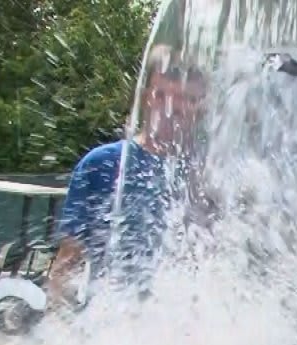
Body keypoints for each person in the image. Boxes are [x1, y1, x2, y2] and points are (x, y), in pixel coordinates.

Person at [45, 44, 208, 309]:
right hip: (114, 332)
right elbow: (66, 266)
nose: (171, 108)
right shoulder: (102, 165)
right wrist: (63, 331)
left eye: (186, 100)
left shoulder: (213, 174)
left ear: (201, 109)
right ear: (145, 98)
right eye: (162, 95)